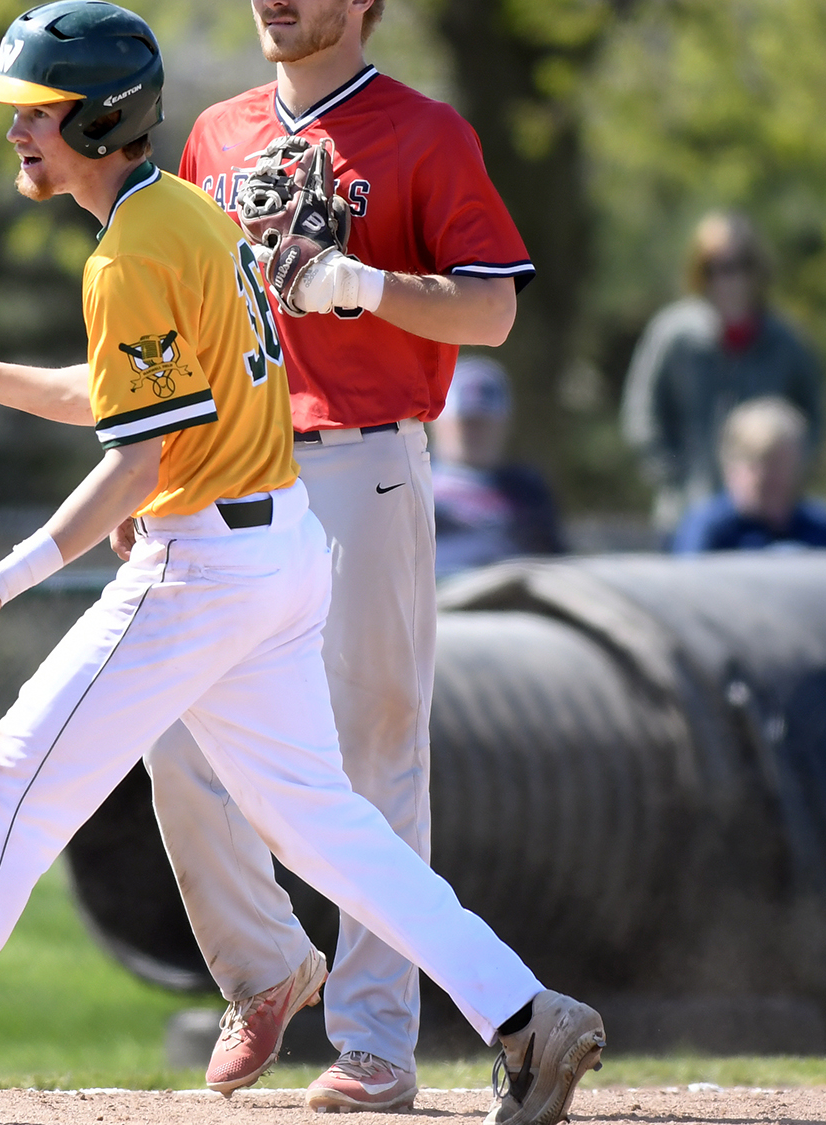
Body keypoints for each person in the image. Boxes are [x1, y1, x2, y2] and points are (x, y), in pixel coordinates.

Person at [0, 6, 602, 1125]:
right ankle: (527, 1016)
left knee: (9, 781)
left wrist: (2, 582)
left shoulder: (137, 251)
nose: (16, 134)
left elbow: (139, 453)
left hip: (207, 565)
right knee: (324, 827)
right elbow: (143, 410)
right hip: (275, 543)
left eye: (36, 113)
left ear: (98, 116)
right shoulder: (185, 219)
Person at [152, 0, 585, 1115]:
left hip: (364, 457)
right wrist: (153, 467)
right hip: (231, 463)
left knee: (374, 751)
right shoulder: (214, 134)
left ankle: (377, 1045)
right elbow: (194, 325)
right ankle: (264, 969)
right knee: (170, 724)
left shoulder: (423, 132)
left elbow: (490, 312)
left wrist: (366, 287)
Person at [621, 210, 825, 531]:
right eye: (716, 268)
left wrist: (785, 477)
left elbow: (814, 416)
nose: (730, 279)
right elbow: (642, 416)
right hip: (686, 513)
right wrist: (675, 477)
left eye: (742, 265)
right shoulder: (674, 337)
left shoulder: (785, 342)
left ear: (759, 270)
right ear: (700, 272)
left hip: (768, 517)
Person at [430, 356, 564, 579]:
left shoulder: (528, 490)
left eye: (484, 422)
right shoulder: (410, 485)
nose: (474, 433)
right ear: (437, 423)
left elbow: (556, 558)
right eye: (465, 422)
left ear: (504, 424)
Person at [669, 397, 826, 553]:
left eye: (783, 464)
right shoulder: (709, 531)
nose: (773, 476)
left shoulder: (825, 529)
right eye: (762, 462)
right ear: (732, 467)